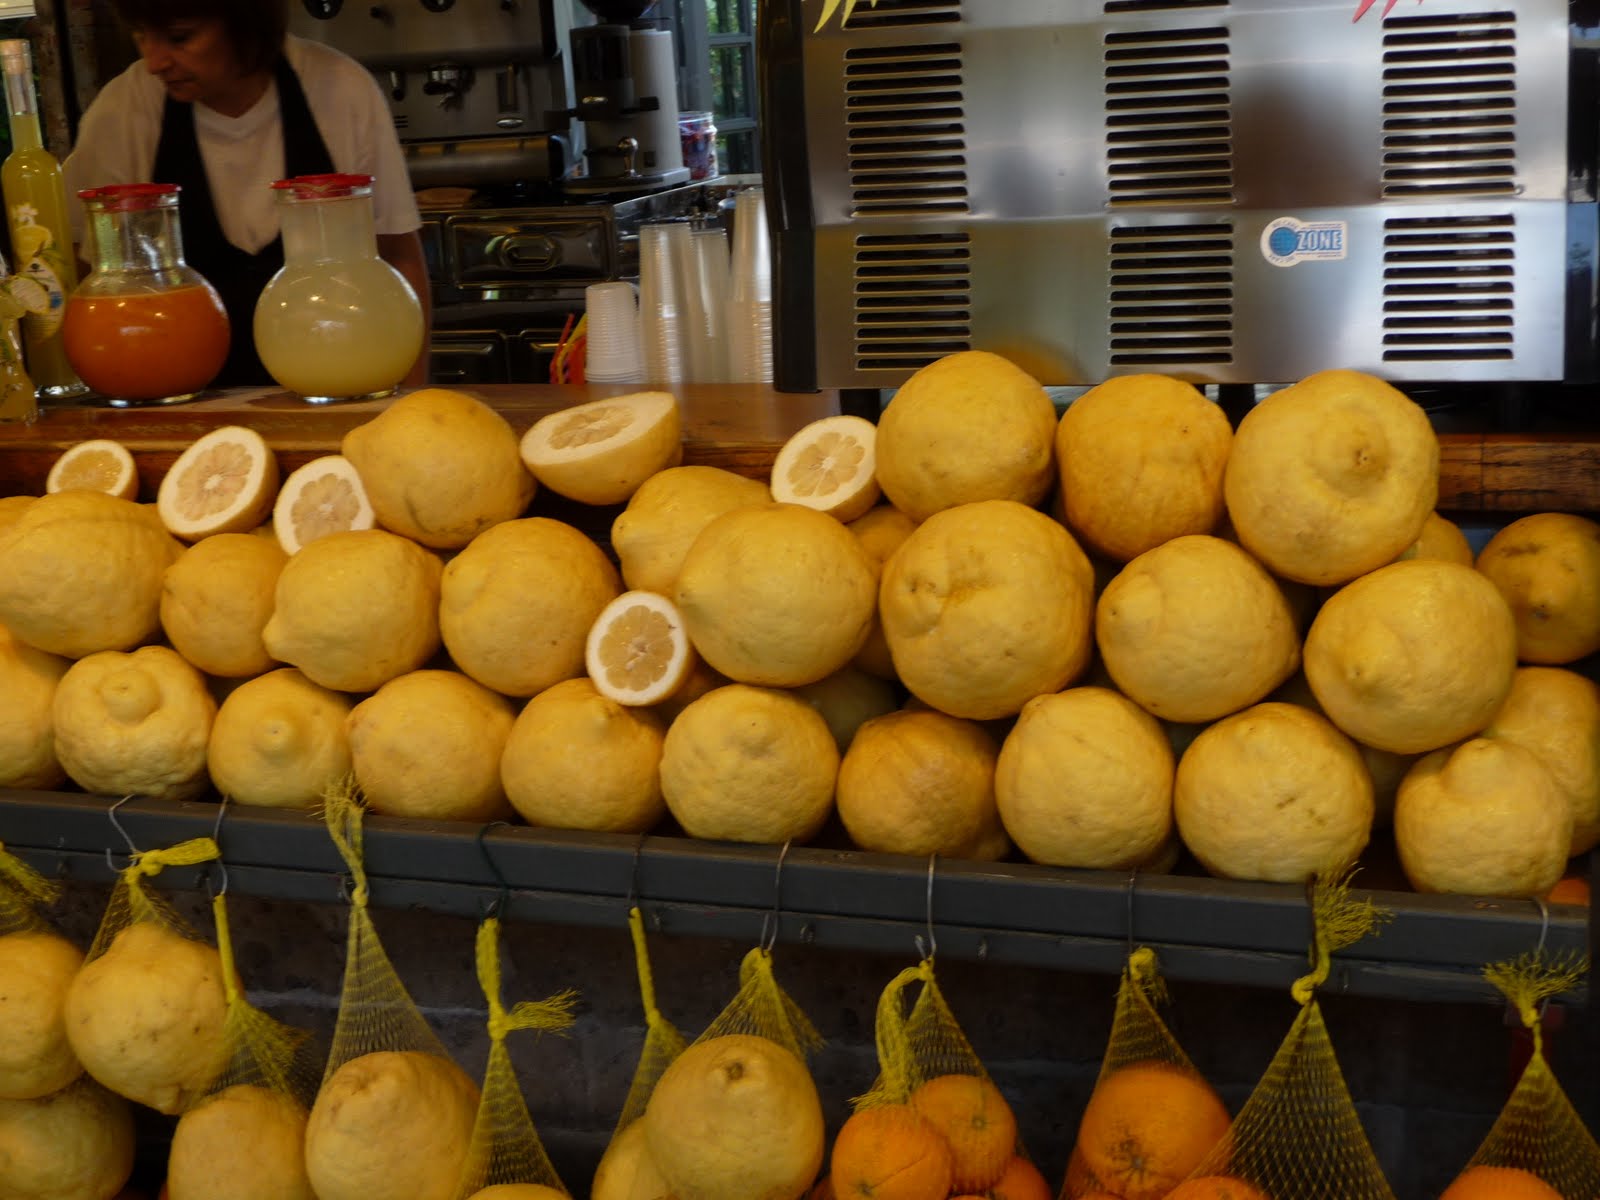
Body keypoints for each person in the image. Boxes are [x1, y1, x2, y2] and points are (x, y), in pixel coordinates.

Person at [62, 0, 431, 389]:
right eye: (142, 36)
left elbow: (397, 255)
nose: (155, 62)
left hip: (339, 378)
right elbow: (83, 273)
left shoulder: (341, 89)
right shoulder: (123, 111)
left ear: (247, 24)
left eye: (179, 38)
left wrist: (410, 398)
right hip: (175, 394)